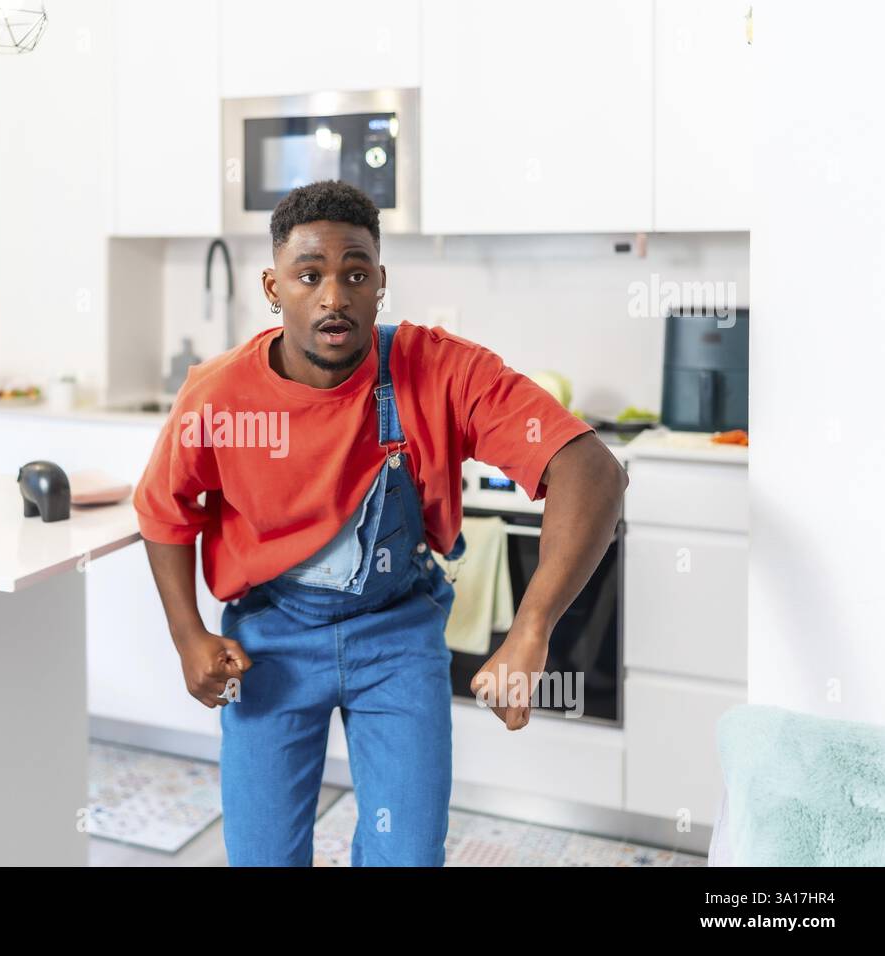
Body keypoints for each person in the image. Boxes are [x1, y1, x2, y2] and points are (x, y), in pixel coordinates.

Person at [132, 179, 628, 867]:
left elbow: (594, 471)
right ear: (274, 288)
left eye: (355, 273)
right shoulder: (218, 393)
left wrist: (531, 630)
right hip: (269, 642)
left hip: (397, 639)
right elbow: (165, 509)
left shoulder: (439, 368)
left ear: (380, 282)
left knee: (407, 856)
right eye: (310, 276)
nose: (333, 296)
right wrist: (188, 634)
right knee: (262, 855)